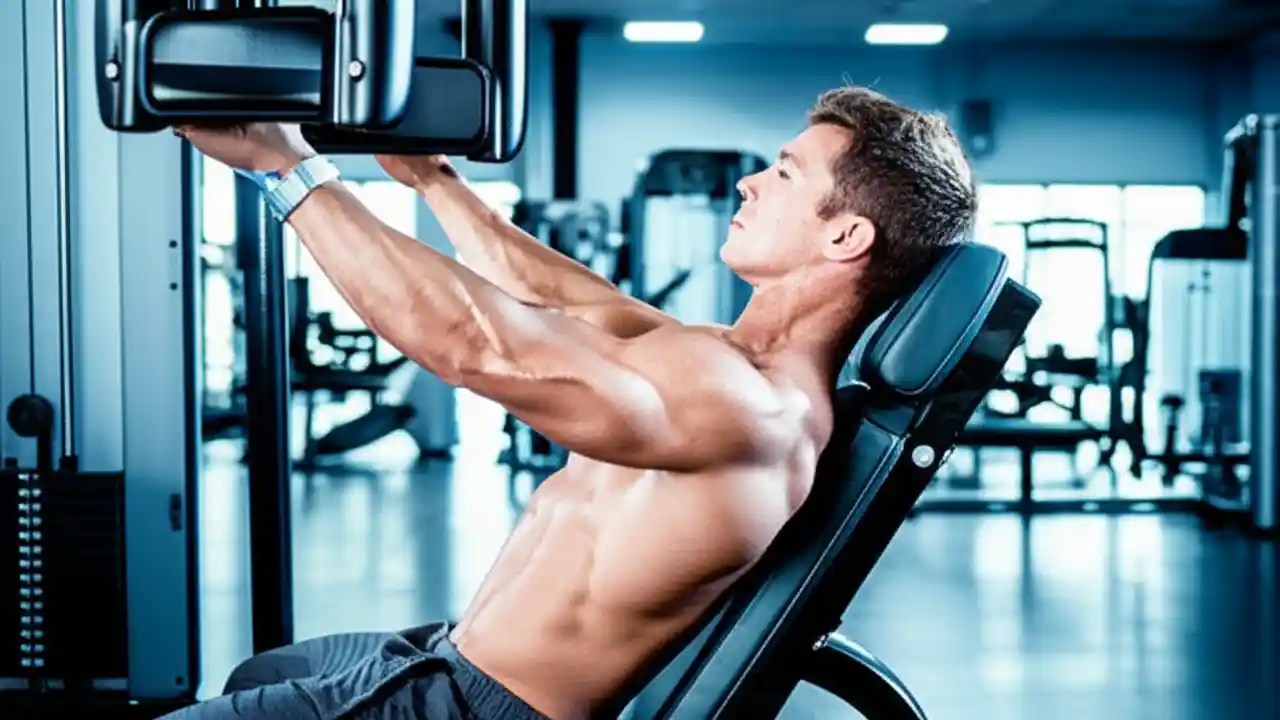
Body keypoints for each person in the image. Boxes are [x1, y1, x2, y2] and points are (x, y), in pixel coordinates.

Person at [165, 86, 977, 720]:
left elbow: (476, 344)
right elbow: (567, 299)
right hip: (443, 664)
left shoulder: (749, 408)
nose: (750, 182)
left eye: (786, 172)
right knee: (263, 673)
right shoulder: (723, 362)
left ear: (845, 237)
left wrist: (289, 171)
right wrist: (435, 182)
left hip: (467, 708)